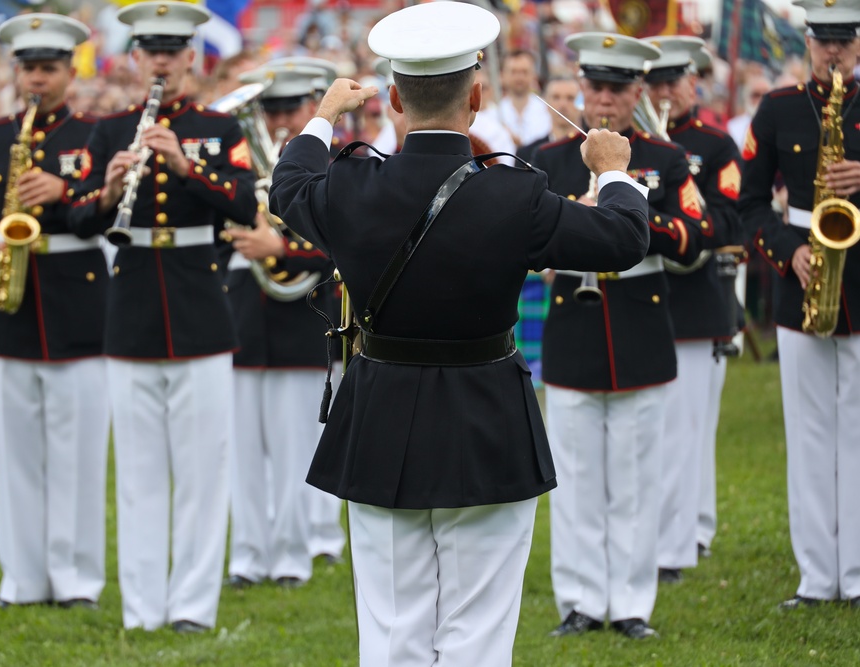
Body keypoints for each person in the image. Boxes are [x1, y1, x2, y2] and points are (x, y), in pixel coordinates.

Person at [269, 4, 652, 664]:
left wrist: (324, 114)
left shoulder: (352, 185)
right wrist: (613, 167)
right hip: (488, 420)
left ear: (393, 98)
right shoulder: (516, 193)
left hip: (382, 415)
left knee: (391, 633)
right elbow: (623, 237)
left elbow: (289, 182)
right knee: (479, 633)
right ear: (477, 96)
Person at [68, 1, 257, 633]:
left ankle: (194, 607)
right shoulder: (108, 128)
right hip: (131, 309)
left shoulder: (217, 128)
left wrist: (183, 165)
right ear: (135, 58)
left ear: (191, 59)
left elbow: (238, 201)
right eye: (151, 51)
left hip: (201, 305)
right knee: (141, 472)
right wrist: (105, 190)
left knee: (204, 471)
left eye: (174, 51)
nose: (162, 61)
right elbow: (78, 219)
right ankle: (144, 609)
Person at [532, 32, 713, 640]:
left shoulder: (664, 159)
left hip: (640, 320)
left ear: (639, 92)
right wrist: (574, 219)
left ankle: (632, 603)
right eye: (596, 87)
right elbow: (525, 237)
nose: (605, 100)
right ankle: (580, 600)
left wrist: (625, 208)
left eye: (618, 89)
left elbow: (696, 233)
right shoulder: (550, 160)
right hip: (572, 328)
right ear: (581, 89)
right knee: (578, 478)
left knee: (637, 477)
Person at [0, 13, 111, 613]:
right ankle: (20, 581)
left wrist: (66, 194)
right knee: (10, 455)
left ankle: (76, 581)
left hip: (78, 307)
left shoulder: (95, 135)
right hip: (3, 312)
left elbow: (107, 217)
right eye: (29, 68)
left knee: (79, 454)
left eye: (49, 68)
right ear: (16, 72)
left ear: (71, 71)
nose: (37, 78)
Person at [739, 0, 860, 610]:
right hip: (803, 277)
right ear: (808, 43)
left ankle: (858, 575)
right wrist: (787, 252)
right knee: (810, 434)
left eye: (843, 41)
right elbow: (750, 202)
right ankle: (817, 578)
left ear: (858, 44)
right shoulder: (779, 107)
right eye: (822, 41)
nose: (832, 51)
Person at [223, 59, 343, 591]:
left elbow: (342, 245)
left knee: (298, 445)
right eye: (269, 111)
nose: (278, 121)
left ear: (310, 106)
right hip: (244, 318)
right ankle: (248, 556)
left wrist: (282, 248)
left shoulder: (336, 167)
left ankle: (294, 555)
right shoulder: (239, 168)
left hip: (303, 321)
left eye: (289, 109)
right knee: (243, 453)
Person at [642, 35, 744, 582]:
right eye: (653, 84)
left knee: (687, 431)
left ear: (693, 83)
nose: (663, 93)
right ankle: (676, 530)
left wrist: (692, 227)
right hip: (642, 299)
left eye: (671, 83)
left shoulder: (716, 144)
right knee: (660, 431)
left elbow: (731, 219)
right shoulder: (634, 143)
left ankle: (678, 541)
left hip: (695, 300)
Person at [492, 49, 551, 148]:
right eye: (513, 72)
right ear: (503, 75)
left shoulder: (547, 110)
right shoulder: (494, 113)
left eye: (524, 72)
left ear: (534, 75)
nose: (519, 77)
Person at [516, 76, 581, 162]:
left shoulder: (591, 150)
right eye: (556, 97)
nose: (563, 105)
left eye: (570, 98)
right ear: (546, 103)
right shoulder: (527, 154)